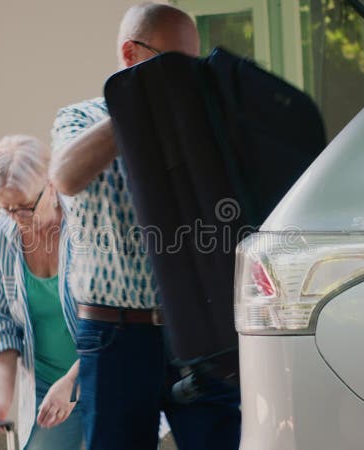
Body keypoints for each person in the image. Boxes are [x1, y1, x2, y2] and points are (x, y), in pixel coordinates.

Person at [49, 4, 241, 450]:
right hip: (115, 336)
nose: (185, 78)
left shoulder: (202, 124)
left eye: (192, 66)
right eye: (173, 64)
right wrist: (134, 110)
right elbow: (65, 177)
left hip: (199, 330)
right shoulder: (78, 119)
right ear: (130, 54)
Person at [0, 135, 83, 450]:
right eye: (6, 207)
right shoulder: (2, 234)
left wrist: (72, 384)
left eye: (24, 207)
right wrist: (1, 394)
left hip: (101, 377)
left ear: (51, 185)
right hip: (46, 388)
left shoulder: (85, 226)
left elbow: (110, 323)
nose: (16, 218)